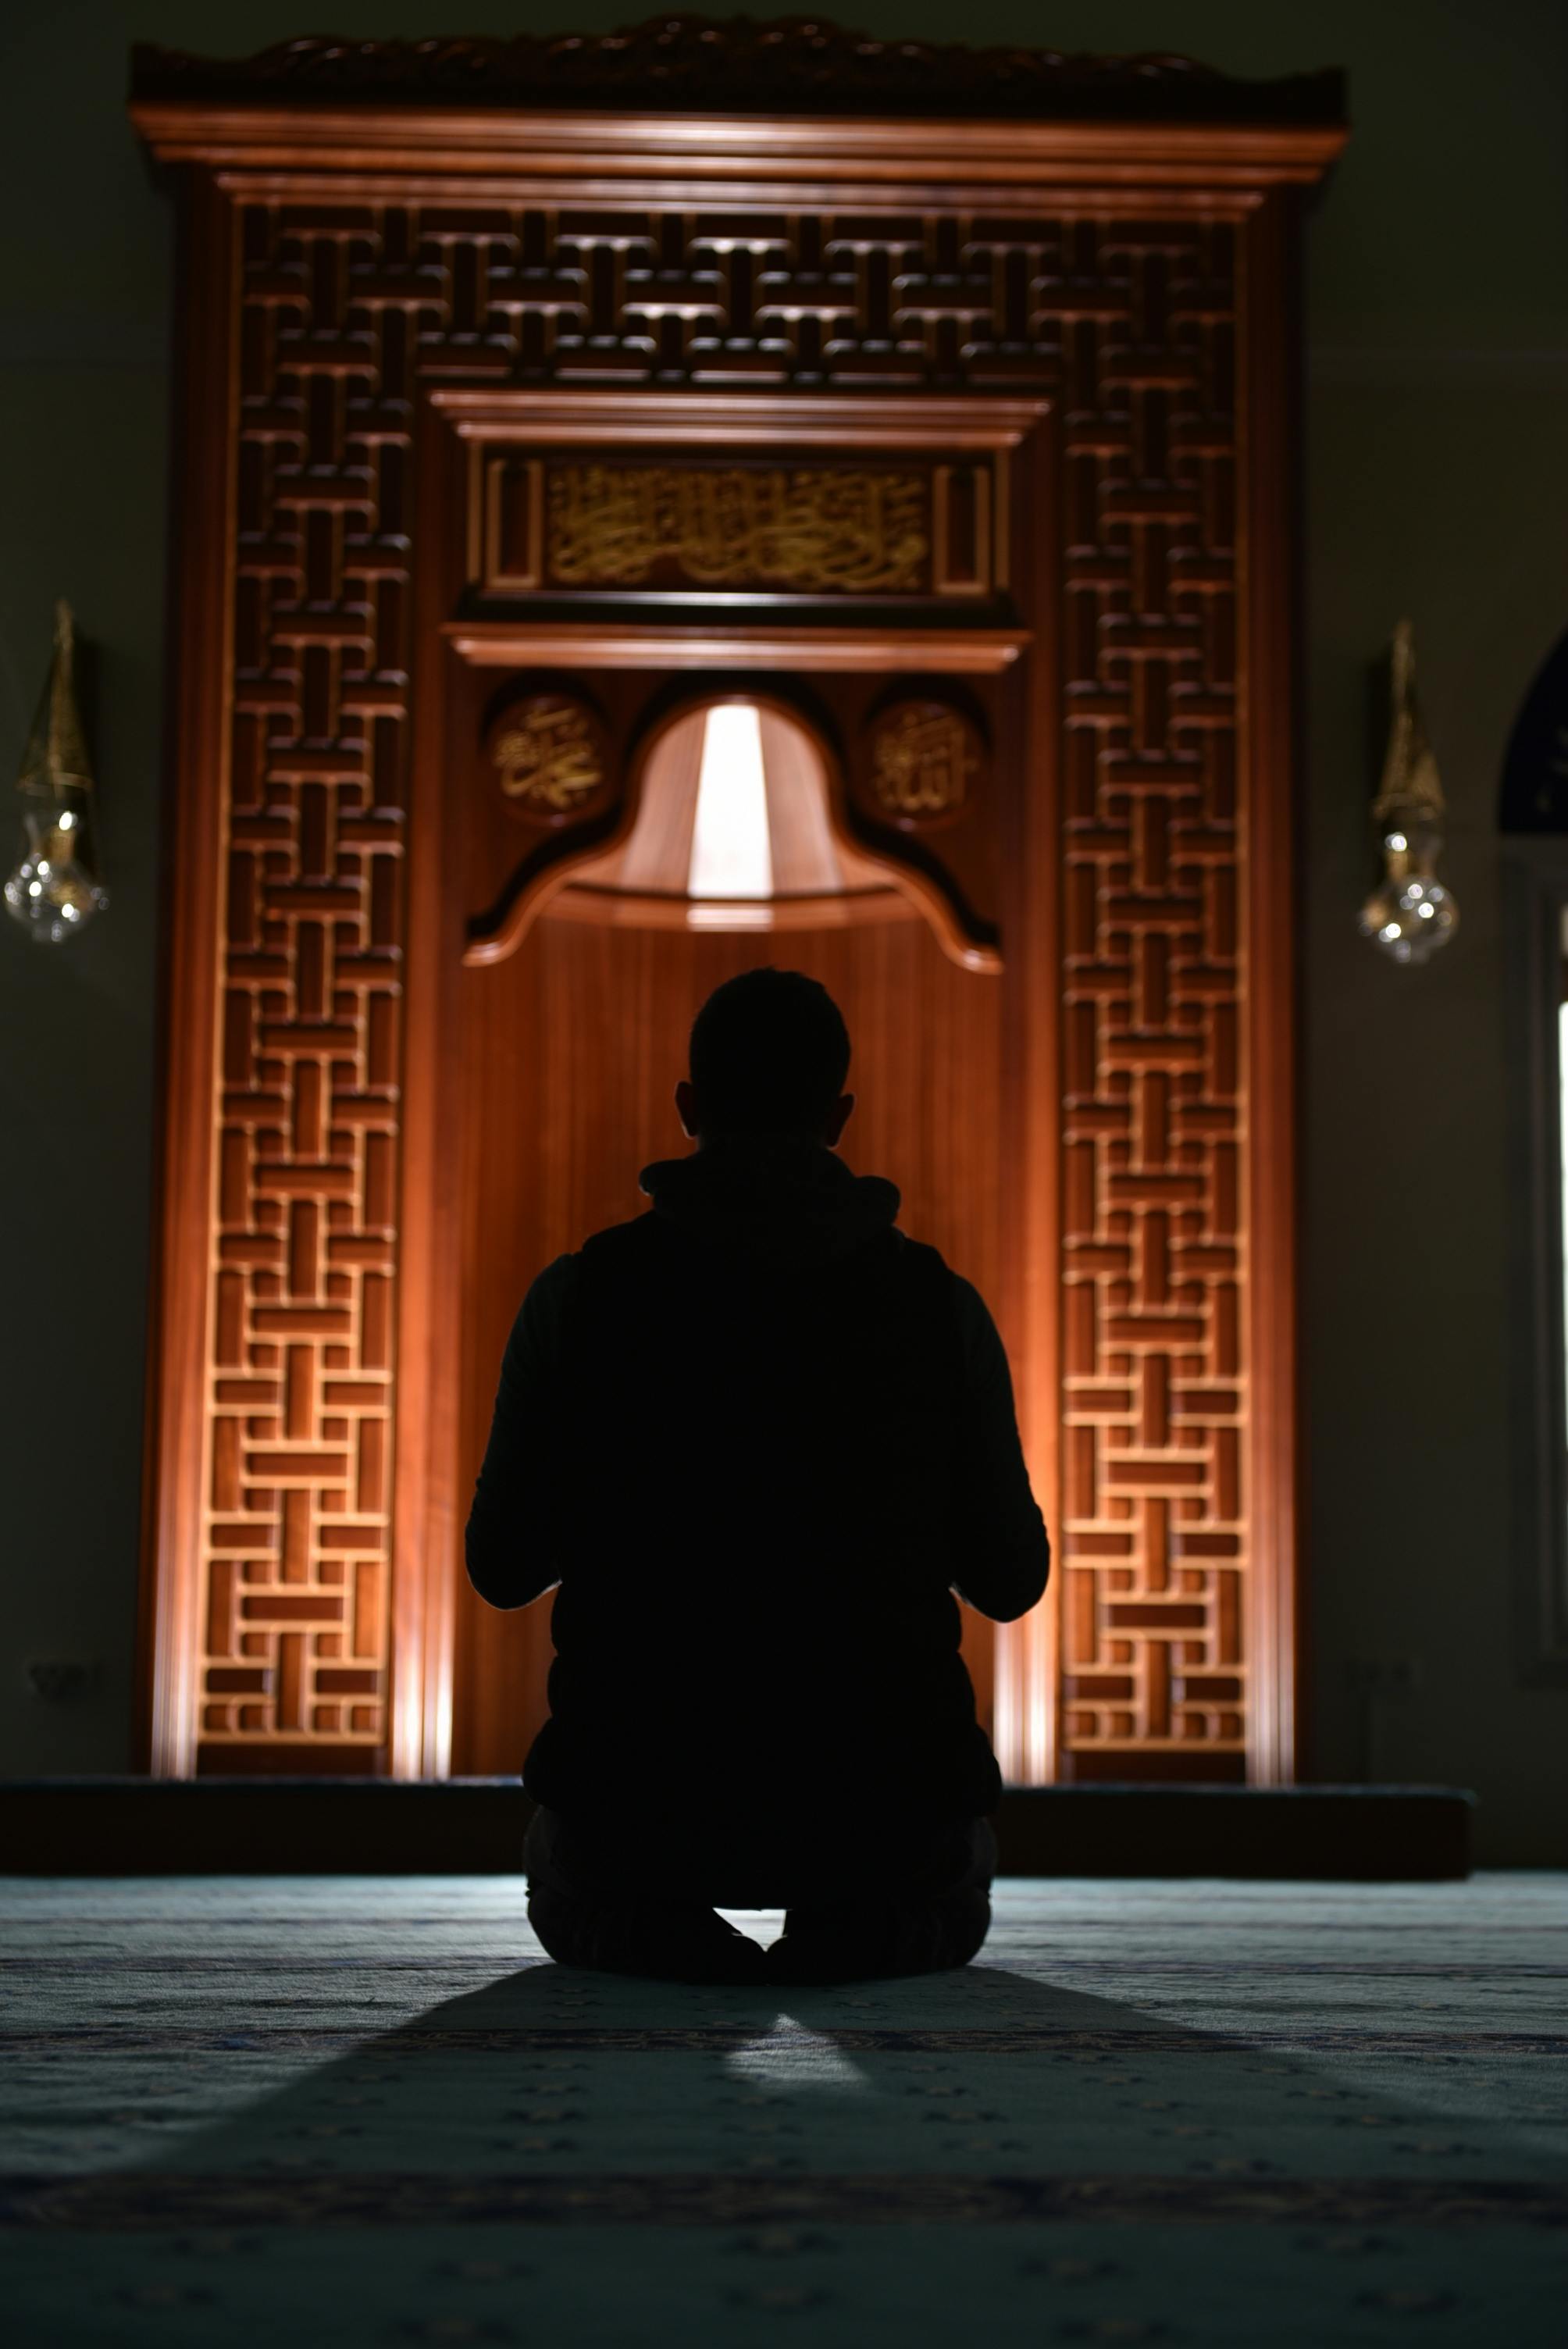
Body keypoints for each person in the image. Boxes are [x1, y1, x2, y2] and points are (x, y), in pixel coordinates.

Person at [465, 967, 1050, 1984]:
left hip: (636, 1820)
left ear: (689, 1109)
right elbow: (1011, 1578)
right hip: (888, 1823)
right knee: (931, 1870)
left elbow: (503, 1564)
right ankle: (859, 1930)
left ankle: (655, 1932)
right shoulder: (936, 1307)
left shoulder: (581, 1298)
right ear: (839, 1114)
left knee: (585, 1874)